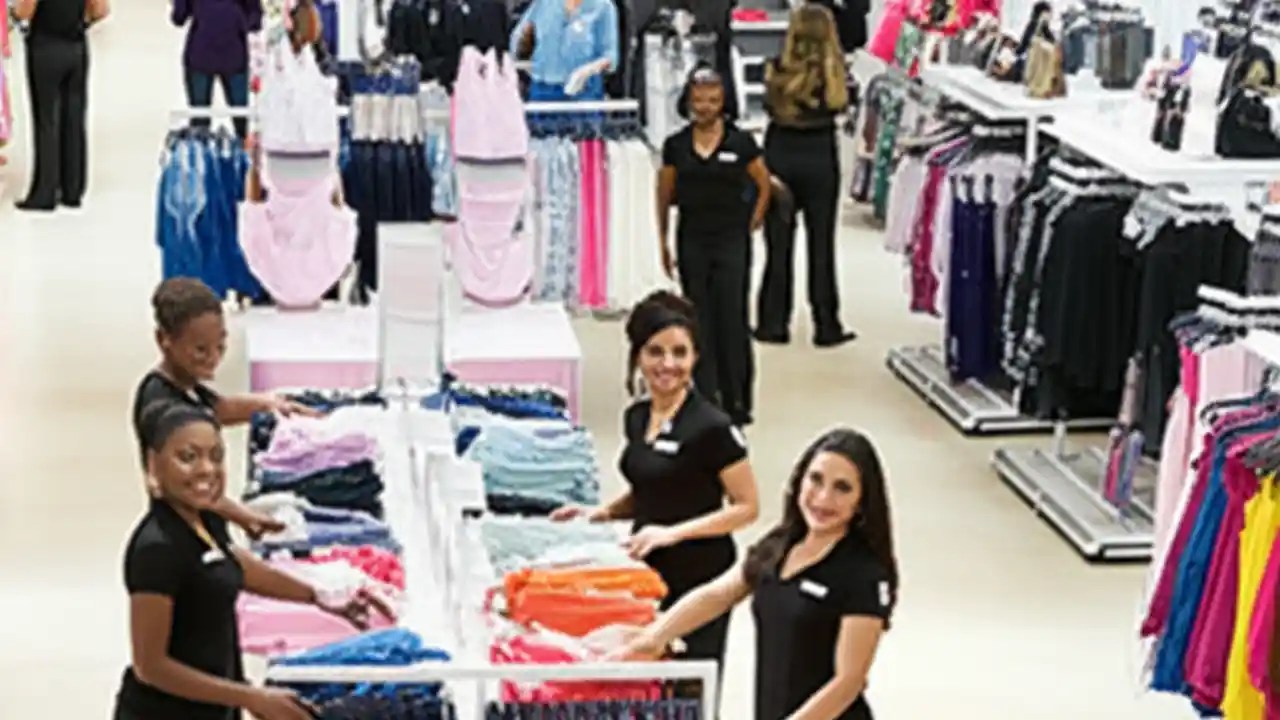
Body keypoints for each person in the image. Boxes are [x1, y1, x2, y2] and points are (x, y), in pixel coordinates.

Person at [113, 401, 394, 720]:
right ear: (153, 465)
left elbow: (233, 566)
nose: (206, 468)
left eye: (215, 456)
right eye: (188, 457)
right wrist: (251, 697)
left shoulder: (203, 520)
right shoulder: (157, 548)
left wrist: (319, 596)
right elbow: (151, 666)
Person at [551, 290, 761, 688]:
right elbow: (652, 489)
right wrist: (602, 513)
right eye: (655, 352)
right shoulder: (636, 417)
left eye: (680, 353)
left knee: (688, 687)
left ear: (695, 357)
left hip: (700, 577)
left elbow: (747, 507)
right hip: (646, 573)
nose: (668, 364)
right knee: (642, 680)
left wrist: (673, 532)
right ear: (637, 355)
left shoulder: (712, 427)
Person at [617, 428, 899, 720]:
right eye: (815, 480)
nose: (823, 498)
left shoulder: (864, 574)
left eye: (843, 488)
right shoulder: (780, 545)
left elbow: (848, 682)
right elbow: (719, 594)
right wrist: (651, 638)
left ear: (862, 500)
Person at [132, 277, 317, 537]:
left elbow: (219, 408)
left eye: (220, 345)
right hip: (183, 536)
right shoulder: (163, 409)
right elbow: (192, 484)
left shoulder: (184, 383)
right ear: (164, 339)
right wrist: (244, 517)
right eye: (201, 349)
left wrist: (272, 405)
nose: (214, 357)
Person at [656, 67, 770, 426]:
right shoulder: (675, 146)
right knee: (698, 319)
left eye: (713, 100)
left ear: (725, 102)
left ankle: (738, 399)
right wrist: (661, 240)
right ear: (688, 100)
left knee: (732, 316)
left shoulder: (741, 143)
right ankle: (705, 396)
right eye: (699, 99)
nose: (705, 107)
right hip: (692, 238)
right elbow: (663, 195)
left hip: (732, 240)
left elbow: (765, 184)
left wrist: (754, 220)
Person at [755, 4, 856, 348]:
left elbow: (768, 107)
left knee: (777, 247)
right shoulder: (836, 77)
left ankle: (772, 322)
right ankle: (826, 324)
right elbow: (841, 107)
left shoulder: (775, 70)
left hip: (780, 156)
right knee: (822, 245)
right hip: (819, 158)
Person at [12, 0, 110, 211]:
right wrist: (82, 24)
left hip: (45, 47)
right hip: (76, 47)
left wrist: (16, 17)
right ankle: (72, 189)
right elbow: (101, 10)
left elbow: (25, 9)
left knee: (46, 120)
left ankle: (45, 192)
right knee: (74, 118)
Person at [170, 0, 263, 139]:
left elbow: (178, 17)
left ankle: (201, 155)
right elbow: (255, 18)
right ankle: (243, 154)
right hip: (234, 53)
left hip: (200, 54)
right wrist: (237, 23)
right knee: (241, 120)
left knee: (199, 121)